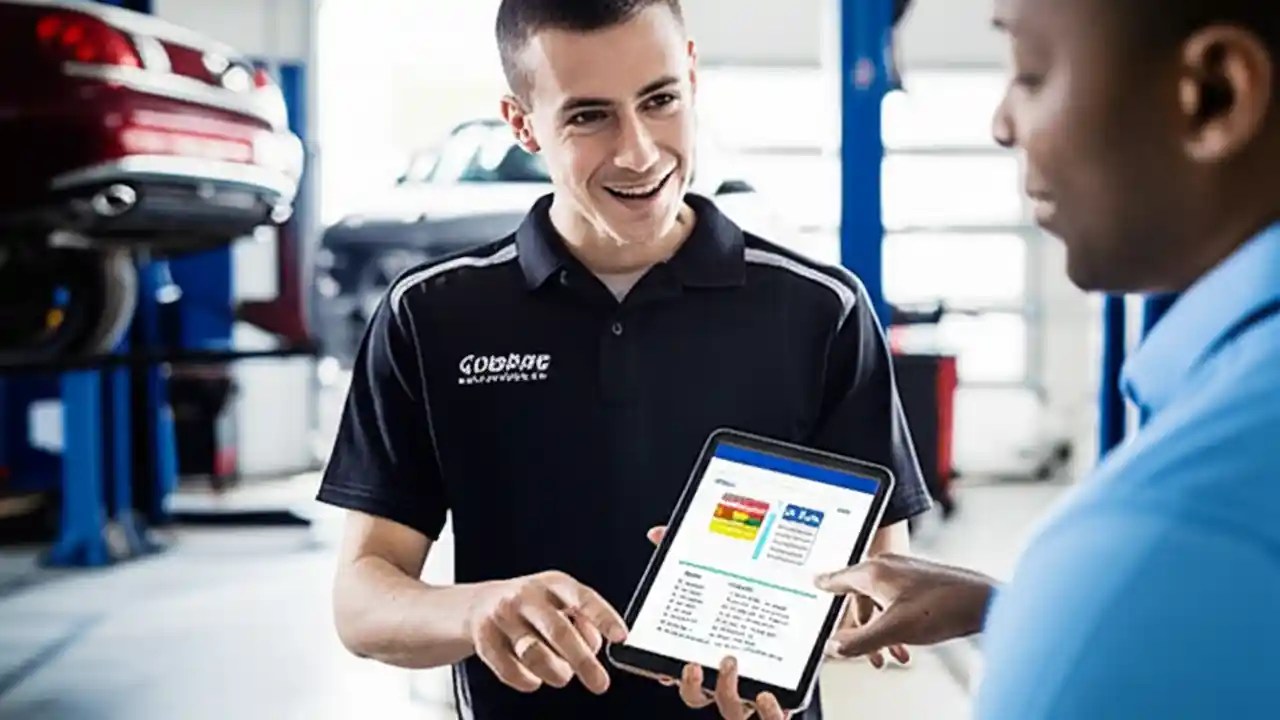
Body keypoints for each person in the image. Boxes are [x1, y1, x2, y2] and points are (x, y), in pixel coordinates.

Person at [316, 1, 933, 718]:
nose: (638, 152)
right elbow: (362, 600)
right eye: (588, 117)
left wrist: (800, 620)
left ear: (693, 76)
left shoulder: (823, 311)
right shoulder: (432, 314)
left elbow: (878, 583)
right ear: (523, 123)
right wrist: (478, 610)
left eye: (660, 99)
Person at [674, 0, 1280, 717]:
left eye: (1030, 72)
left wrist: (1064, 621)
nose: (1000, 124)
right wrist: (1009, 612)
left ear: (1214, 95)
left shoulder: (1160, 536)